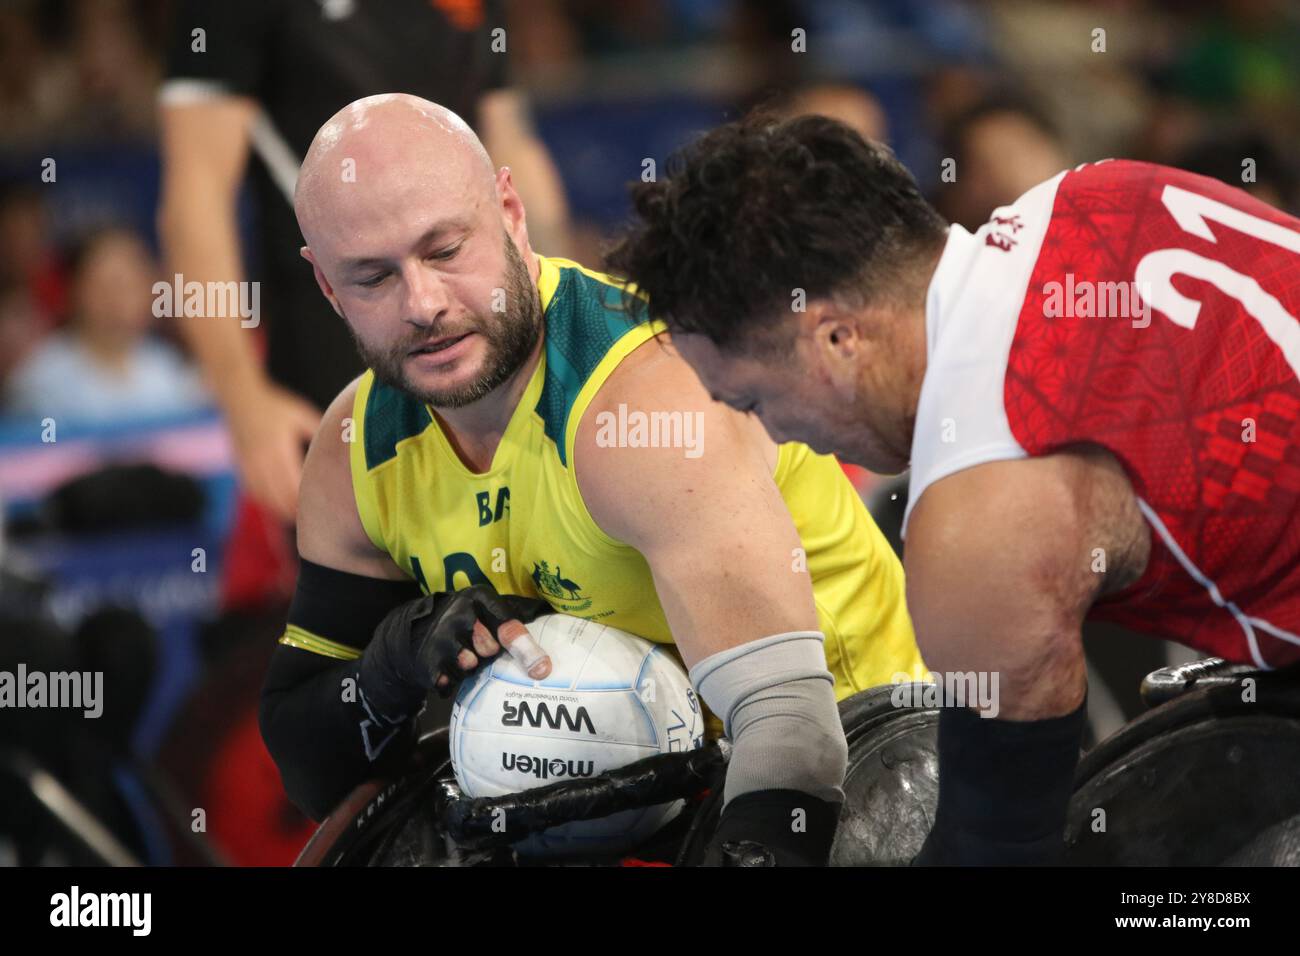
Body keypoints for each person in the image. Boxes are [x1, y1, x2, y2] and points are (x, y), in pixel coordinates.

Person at [605, 111, 1300, 865]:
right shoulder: (1094, 193)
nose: (773, 435)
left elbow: (995, 850)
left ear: (838, 340)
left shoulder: (980, 515)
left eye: (754, 401)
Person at [259, 94, 923, 866]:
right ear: (328, 289)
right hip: (620, 812)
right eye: (372, 278)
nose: (424, 305)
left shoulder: (642, 399)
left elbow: (790, 731)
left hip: (860, 768)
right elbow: (312, 768)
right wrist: (394, 662)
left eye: (445, 251)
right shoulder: (354, 450)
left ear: (511, 210)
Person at [158, 0, 573, 523]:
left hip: (493, 360)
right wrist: (243, 399)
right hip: (335, 370)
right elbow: (195, 202)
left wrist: (566, 325)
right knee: (385, 599)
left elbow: (512, 148)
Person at [5, 226, 209, 422]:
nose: (118, 298)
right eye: (107, 284)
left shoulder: (167, 371)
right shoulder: (41, 380)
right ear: (75, 289)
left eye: (130, 283)